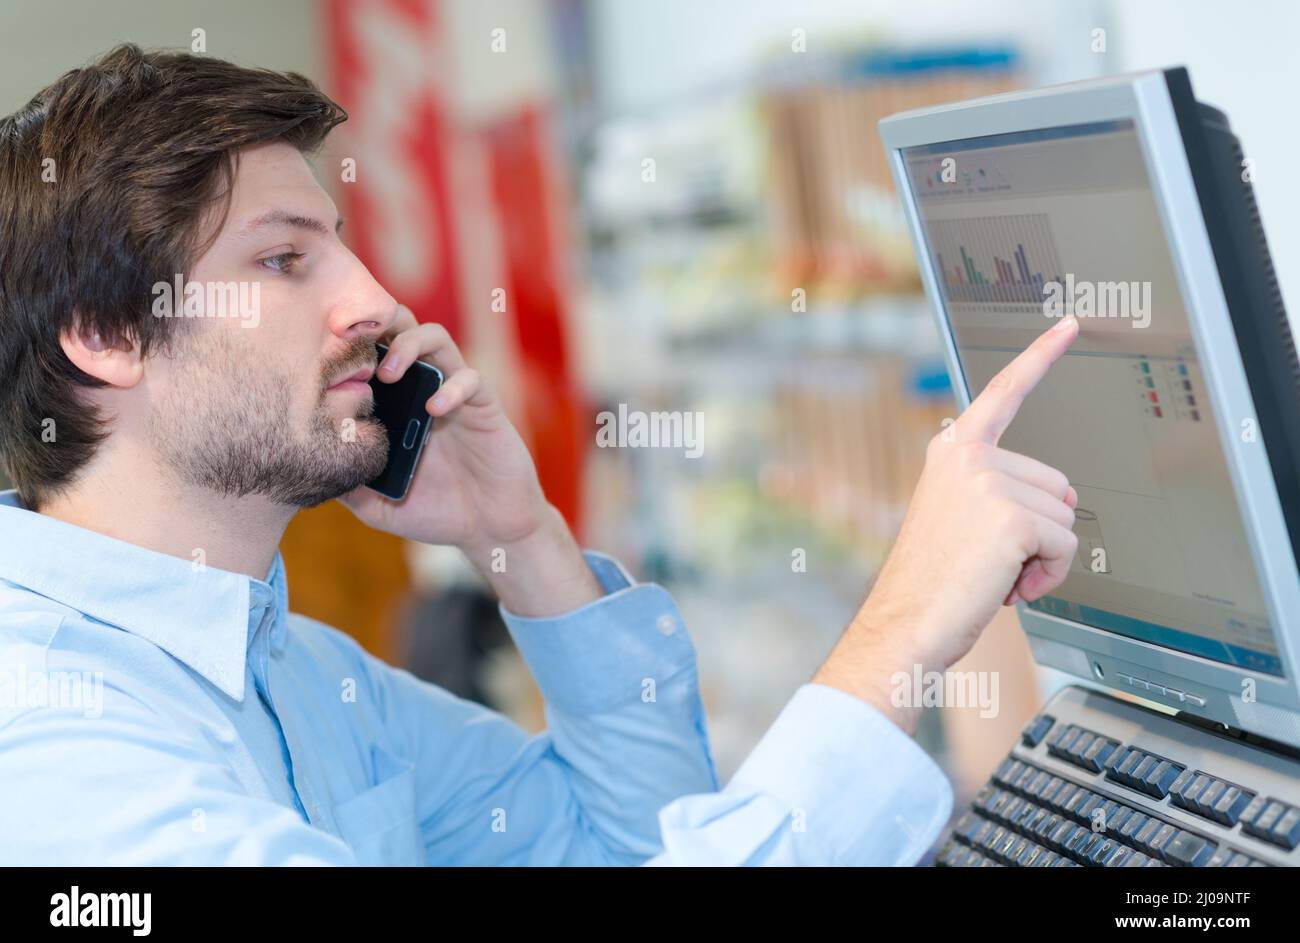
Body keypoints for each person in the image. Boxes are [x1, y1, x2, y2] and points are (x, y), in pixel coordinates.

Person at [0, 45, 1079, 865]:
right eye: (284, 260)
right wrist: (900, 632)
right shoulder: (52, 743)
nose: (374, 303)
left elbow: (627, 844)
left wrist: (520, 540)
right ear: (106, 333)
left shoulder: (295, 673)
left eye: (341, 246)